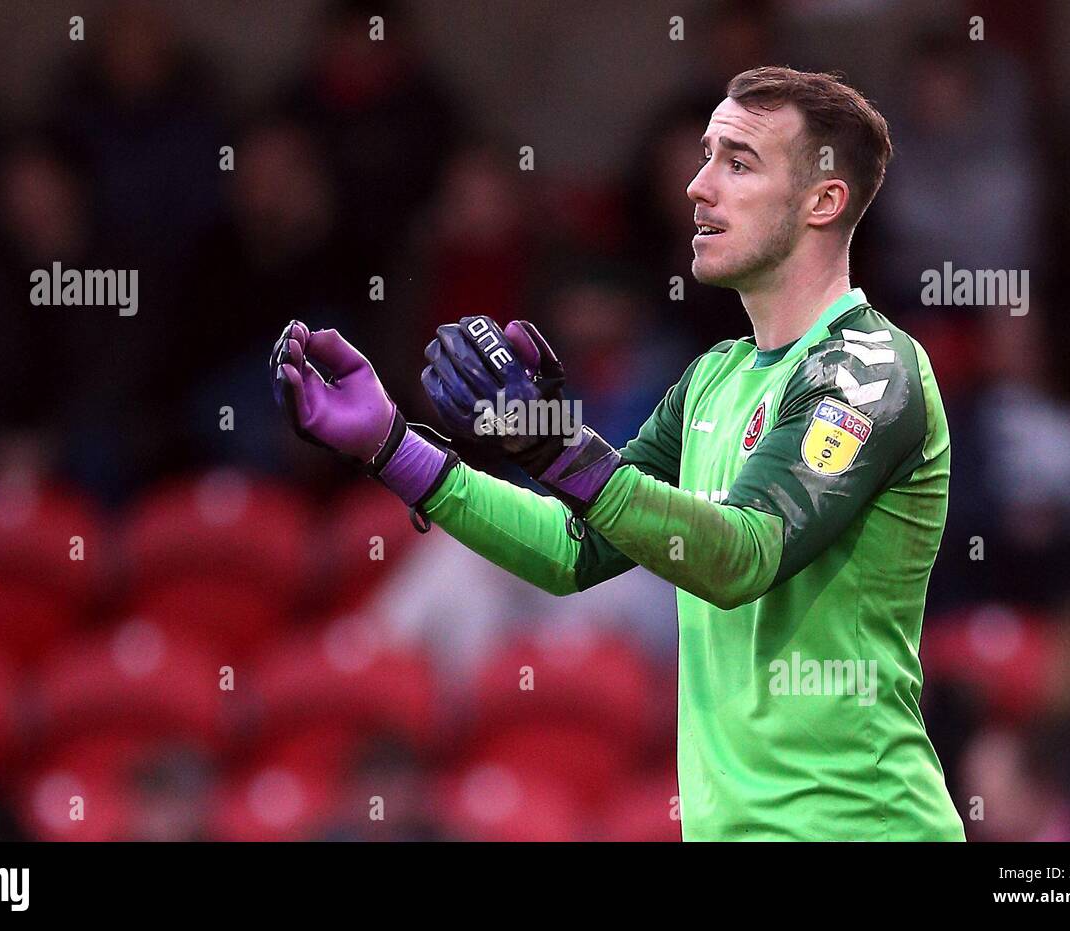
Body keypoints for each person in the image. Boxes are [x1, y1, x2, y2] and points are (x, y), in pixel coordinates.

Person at [269, 67, 964, 841]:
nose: (698, 186)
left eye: (738, 162)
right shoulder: (712, 378)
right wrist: (394, 446)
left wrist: (558, 444)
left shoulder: (870, 366)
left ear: (823, 201)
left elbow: (744, 553)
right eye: (704, 156)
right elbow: (576, 551)